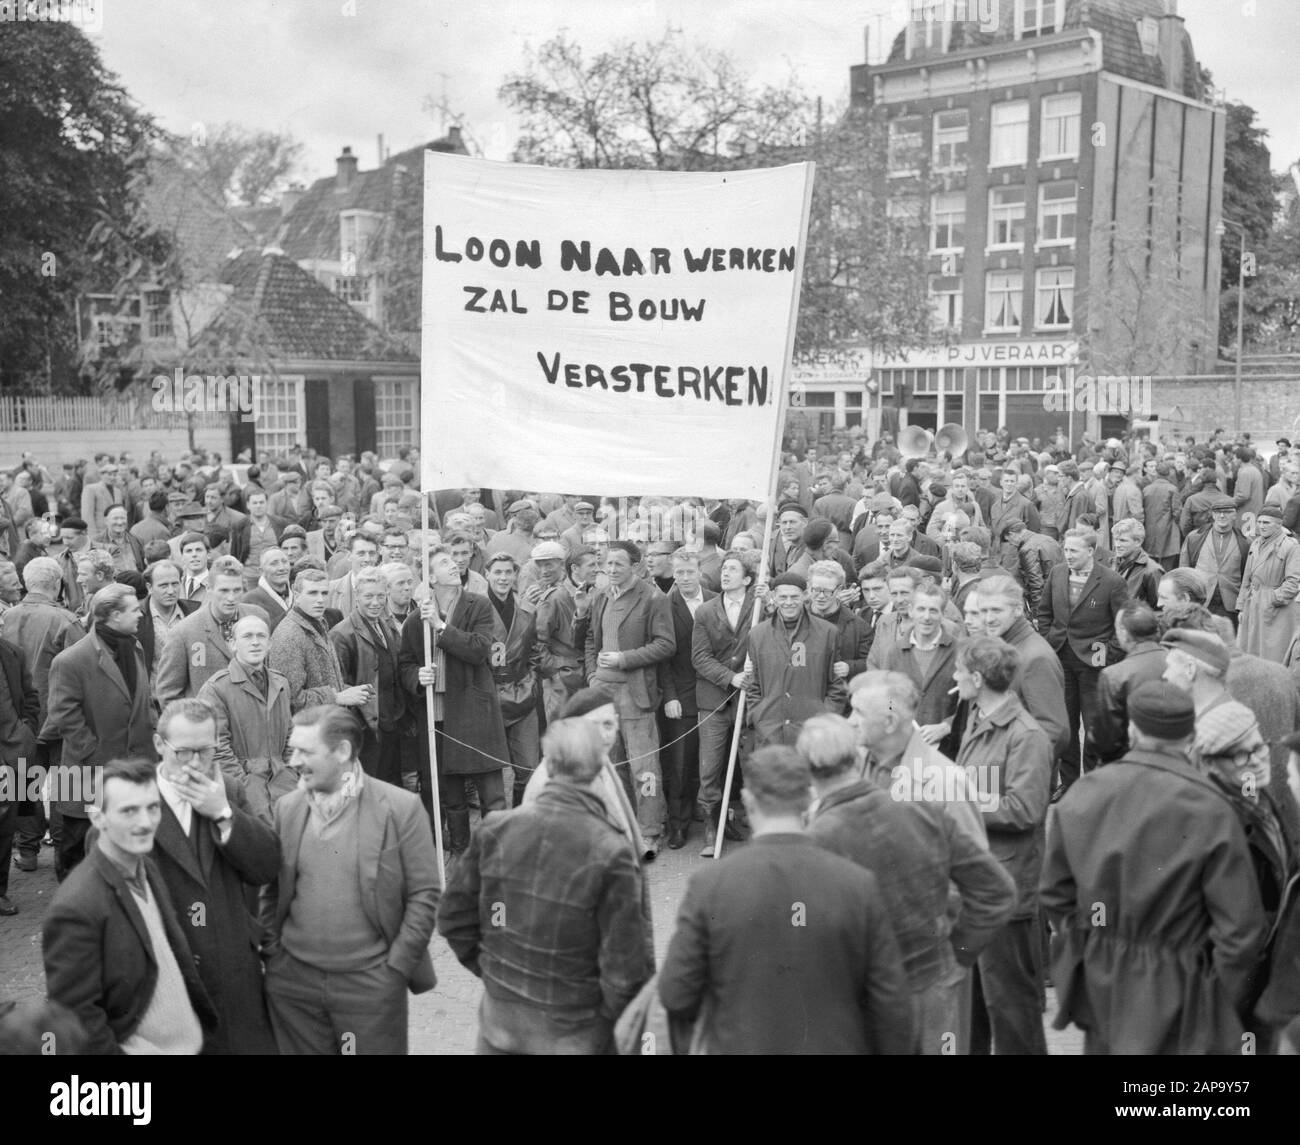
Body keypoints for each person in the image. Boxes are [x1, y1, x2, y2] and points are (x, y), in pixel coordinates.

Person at [1041, 681, 1267, 1054]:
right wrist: (1214, 996)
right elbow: (1240, 929)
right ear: (1191, 734)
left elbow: (1055, 896)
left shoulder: (1082, 794)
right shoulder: (1212, 807)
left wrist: (1086, 960)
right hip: (1184, 987)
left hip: (1104, 978)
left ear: (1132, 729)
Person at [658, 744, 914, 1054]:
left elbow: (675, 994)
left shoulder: (709, 885)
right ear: (809, 799)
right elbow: (892, 1005)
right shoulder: (858, 885)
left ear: (748, 801)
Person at [801, 713, 1015, 1055]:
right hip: (932, 990)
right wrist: (958, 953)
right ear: (857, 758)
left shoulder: (814, 841)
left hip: (864, 1005)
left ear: (808, 773)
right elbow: (998, 891)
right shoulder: (921, 812)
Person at [439, 718, 650, 1055]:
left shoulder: (496, 828)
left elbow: (452, 920)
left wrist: (495, 975)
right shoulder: (612, 852)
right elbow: (625, 970)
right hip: (576, 1034)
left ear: (549, 764)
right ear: (599, 770)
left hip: (500, 1028)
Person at [258, 706, 438, 1056]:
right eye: (292, 749)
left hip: (370, 987)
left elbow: (425, 895)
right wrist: (274, 954)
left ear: (342, 751)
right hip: (294, 988)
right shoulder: (287, 808)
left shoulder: (401, 808)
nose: (293, 760)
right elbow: (272, 889)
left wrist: (395, 969)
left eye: (305, 751)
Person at [120, 698, 280, 1054]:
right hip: (170, 981)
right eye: (184, 752)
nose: (195, 763)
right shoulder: (129, 800)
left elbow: (266, 867)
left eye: (205, 751)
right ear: (160, 746)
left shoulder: (230, 792)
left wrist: (223, 813)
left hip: (233, 977)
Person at [42, 756, 218, 1054]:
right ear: (98, 818)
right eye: (129, 811)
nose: (146, 823)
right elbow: (77, 1020)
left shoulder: (146, 868)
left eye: (152, 808)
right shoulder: (75, 907)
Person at [952, 638, 1053, 1055]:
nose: (955, 678)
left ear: (977, 678)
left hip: (1006, 888)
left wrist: (958, 803)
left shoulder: (1026, 736)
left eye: (960, 671)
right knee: (971, 1006)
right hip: (976, 885)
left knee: (1012, 1009)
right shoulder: (977, 719)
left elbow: (1025, 808)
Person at [398, 545, 511, 850]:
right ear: (431, 578)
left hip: (475, 715)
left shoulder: (479, 605)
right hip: (438, 716)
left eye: (455, 560)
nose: (454, 564)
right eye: (444, 563)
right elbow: (405, 663)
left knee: (493, 797)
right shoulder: (414, 620)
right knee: (453, 799)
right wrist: (417, 677)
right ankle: (461, 856)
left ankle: (496, 856)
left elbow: (479, 650)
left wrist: (441, 627)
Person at [42, 584, 157, 880]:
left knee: (128, 848)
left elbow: (142, 700)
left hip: (132, 769)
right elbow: (63, 715)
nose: (141, 613)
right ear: (114, 615)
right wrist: (93, 752)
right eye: (134, 609)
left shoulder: (135, 648)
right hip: (84, 773)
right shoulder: (70, 660)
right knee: (77, 854)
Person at [584, 540, 675, 855]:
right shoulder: (601, 596)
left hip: (636, 693)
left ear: (635, 566)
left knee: (644, 767)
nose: (610, 570)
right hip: (603, 693)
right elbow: (590, 639)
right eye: (607, 564)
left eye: (618, 564)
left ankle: (650, 832)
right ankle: (623, 828)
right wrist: (592, 676)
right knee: (612, 764)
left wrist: (625, 659)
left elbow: (666, 645)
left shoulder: (653, 598)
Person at [1036, 527, 1130, 791]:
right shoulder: (1056, 573)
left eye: (1074, 550)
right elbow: (1044, 613)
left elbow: (1122, 624)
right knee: (1065, 724)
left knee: (1091, 727)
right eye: (1065, 549)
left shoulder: (1112, 581)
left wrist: (1107, 654)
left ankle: (1090, 785)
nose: (1068, 555)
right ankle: (1068, 783)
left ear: (1091, 551)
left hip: (1093, 665)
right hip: (1060, 659)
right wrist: (1048, 641)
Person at [199, 614, 296, 824]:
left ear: (270, 644)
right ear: (232, 644)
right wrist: (241, 785)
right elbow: (216, 748)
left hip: (284, 783)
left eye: (261, 636)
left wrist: (290, 772)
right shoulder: (216, 689)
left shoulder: (280, 683)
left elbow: (290, 734)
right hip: (244, 786)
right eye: (247, 636)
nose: (255, 642)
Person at [691, 549, 757, 857]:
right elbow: (699, 657)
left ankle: (739, 818)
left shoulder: (759, 607)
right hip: (714, 698)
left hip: (750, 698)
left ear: (747, 578)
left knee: (747, 761)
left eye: (733, 570)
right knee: (711, 764)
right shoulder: (705, 611)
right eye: (724, 569)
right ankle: (711, 825)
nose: (725, 574)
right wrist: (730, 677)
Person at [747, 572, 846, 748]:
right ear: (774, 597)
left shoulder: (827, 633)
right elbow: (753, 684)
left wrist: (824, 719)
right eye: (783, 597)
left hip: (812, 732)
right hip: (770, 731)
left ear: (805, 596)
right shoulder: (757, 634)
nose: (789, 602)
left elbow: (836, 685)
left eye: (794, 596)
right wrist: (759, 716)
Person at [657, 548, 714, 849]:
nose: (684, 578)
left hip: (717, 691)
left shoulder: (716, 598)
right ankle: (678, 824)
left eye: (690, 571)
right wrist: (669, 695)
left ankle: (716, 820)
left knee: (713, 760)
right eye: (679, 572)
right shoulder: (666, 604)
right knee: (680, 763)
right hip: (682, 693)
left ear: (700, 571)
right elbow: (663, 654)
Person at [330, 567, 407, 787]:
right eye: (369, 596)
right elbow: (339, 686)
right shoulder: (342, 634)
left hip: (390, 725)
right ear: (357, 597)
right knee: (366, 790)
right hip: (364, 731)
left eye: (380, 596)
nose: (376, 602)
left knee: (389, 788)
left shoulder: (385, 626)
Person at [153, 556, 267, 705]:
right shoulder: (184, 632)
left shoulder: (259, 617)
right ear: (209, 588)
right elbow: (168, 694)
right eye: (224, 590)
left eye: (236, 590)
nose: (231, 598)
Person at [267, 566, 371, 714]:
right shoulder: (289, 636)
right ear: (296, 595)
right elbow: (290, 699)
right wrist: (338, 697)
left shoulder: (317, 622)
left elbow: (325, 680)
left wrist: (350, 691)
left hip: (326, 723)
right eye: (312, 593)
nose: (320, 600)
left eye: (324, 593)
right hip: (309, 730)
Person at [1093, 601, 1169, 763]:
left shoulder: (1114, 675)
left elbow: (1107, 739)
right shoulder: (1176, 661)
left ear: (1123, 631)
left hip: (1130, 762)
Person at [535, 545, 596, 720]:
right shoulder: (555, 598)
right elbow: (537, 642)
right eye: (591, 565)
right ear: (575, 569)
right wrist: (554, 673)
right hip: (563, 681)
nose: (596, 569)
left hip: (588, 678)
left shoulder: (596, 593)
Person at [1238, 504, 1300, 663]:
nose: (1261, 526)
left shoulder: (1291, 546)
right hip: (1253, 602)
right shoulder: (1255, 543)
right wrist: (1241, 605)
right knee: (1251, 649)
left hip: (1276, 609)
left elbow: (1293, 581)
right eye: (1259, 522)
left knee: (1273, 653)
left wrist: (1273, 599)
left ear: (1279, 524)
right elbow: (1247, 578)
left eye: (1267, 523)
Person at [1110, 518, 1164, 608]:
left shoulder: (1152, 571)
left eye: (1123, 540)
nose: (1117, 545)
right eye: (1116, 539)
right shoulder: (1113, 562)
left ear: (1138, 542)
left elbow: (1161, 610)